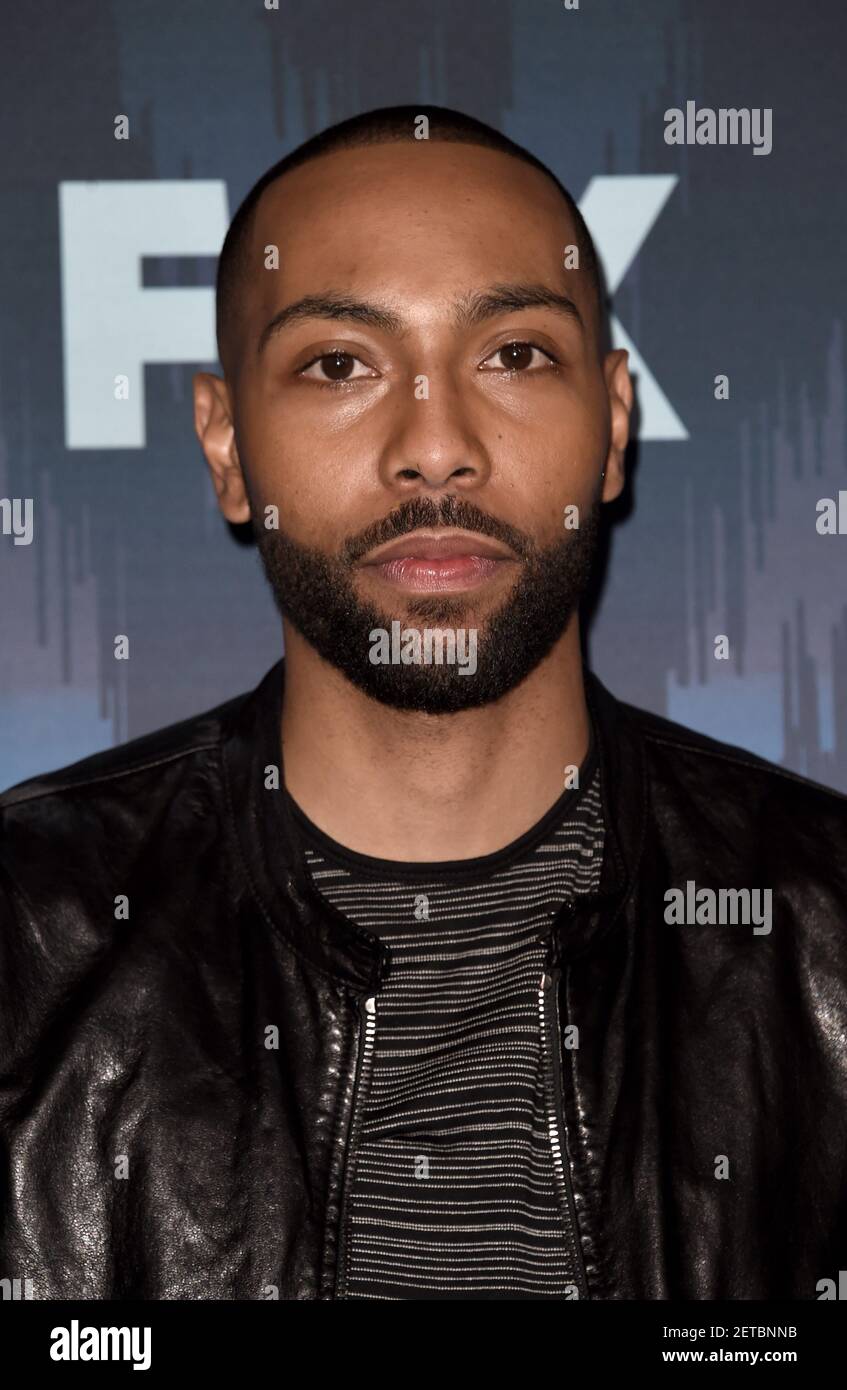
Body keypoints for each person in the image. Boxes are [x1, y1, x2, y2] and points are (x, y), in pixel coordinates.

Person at [1, 104, 845, 1302]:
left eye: (514, 355)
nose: (436, 447)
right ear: (227, 444)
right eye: (339, 363)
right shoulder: (25, 945)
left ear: (612, 425)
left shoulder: (822, 939)